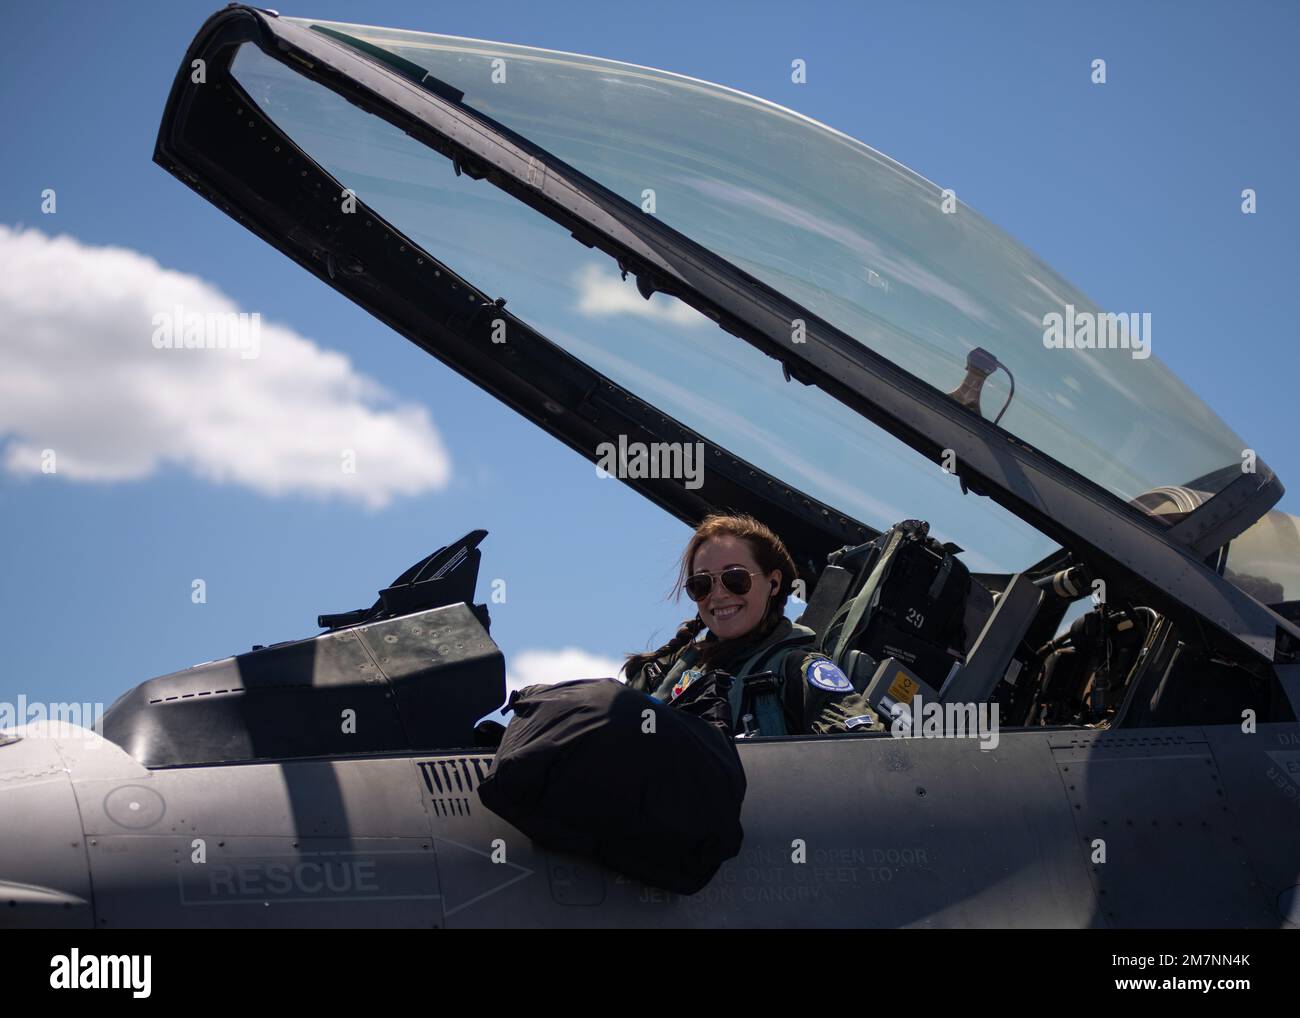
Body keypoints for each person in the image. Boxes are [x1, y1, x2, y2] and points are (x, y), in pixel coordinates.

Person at [623, 513, 878, 736]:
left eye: (735, 578)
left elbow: (865, 754)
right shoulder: (667, 669)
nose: (719, 594)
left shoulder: (797, 670)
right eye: (702, 584)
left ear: (774, 583)